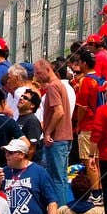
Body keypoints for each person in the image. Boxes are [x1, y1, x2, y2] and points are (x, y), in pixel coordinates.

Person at [36, 59, 74, 204]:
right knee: (62, 177)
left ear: (47, 70)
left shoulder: (53, 87)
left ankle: (59, 212)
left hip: (57, 139)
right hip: (64, 137)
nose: (37, 77)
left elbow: (59, 112)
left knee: (56, 178)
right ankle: (63, 210)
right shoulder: (61, 85)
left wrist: (48, 132)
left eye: (39, 73)